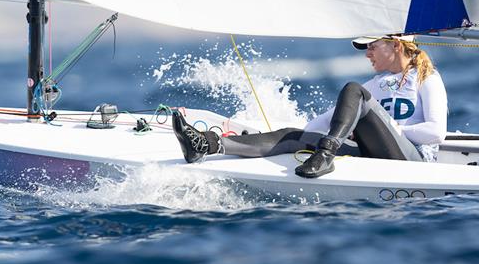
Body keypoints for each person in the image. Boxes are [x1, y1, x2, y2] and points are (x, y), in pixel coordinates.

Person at [172, 34, 448, 178]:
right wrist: (308, 139)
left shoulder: (427, 78)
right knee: (293, 136)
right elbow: (325, 121)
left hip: (414, 162)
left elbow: (436, 132)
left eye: (373, 46)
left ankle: (326, 156)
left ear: (397, 46)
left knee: (353, 89)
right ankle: (206, 145)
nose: (368, 53)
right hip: (377, 155)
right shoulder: (376, 84)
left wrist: (397, 130)